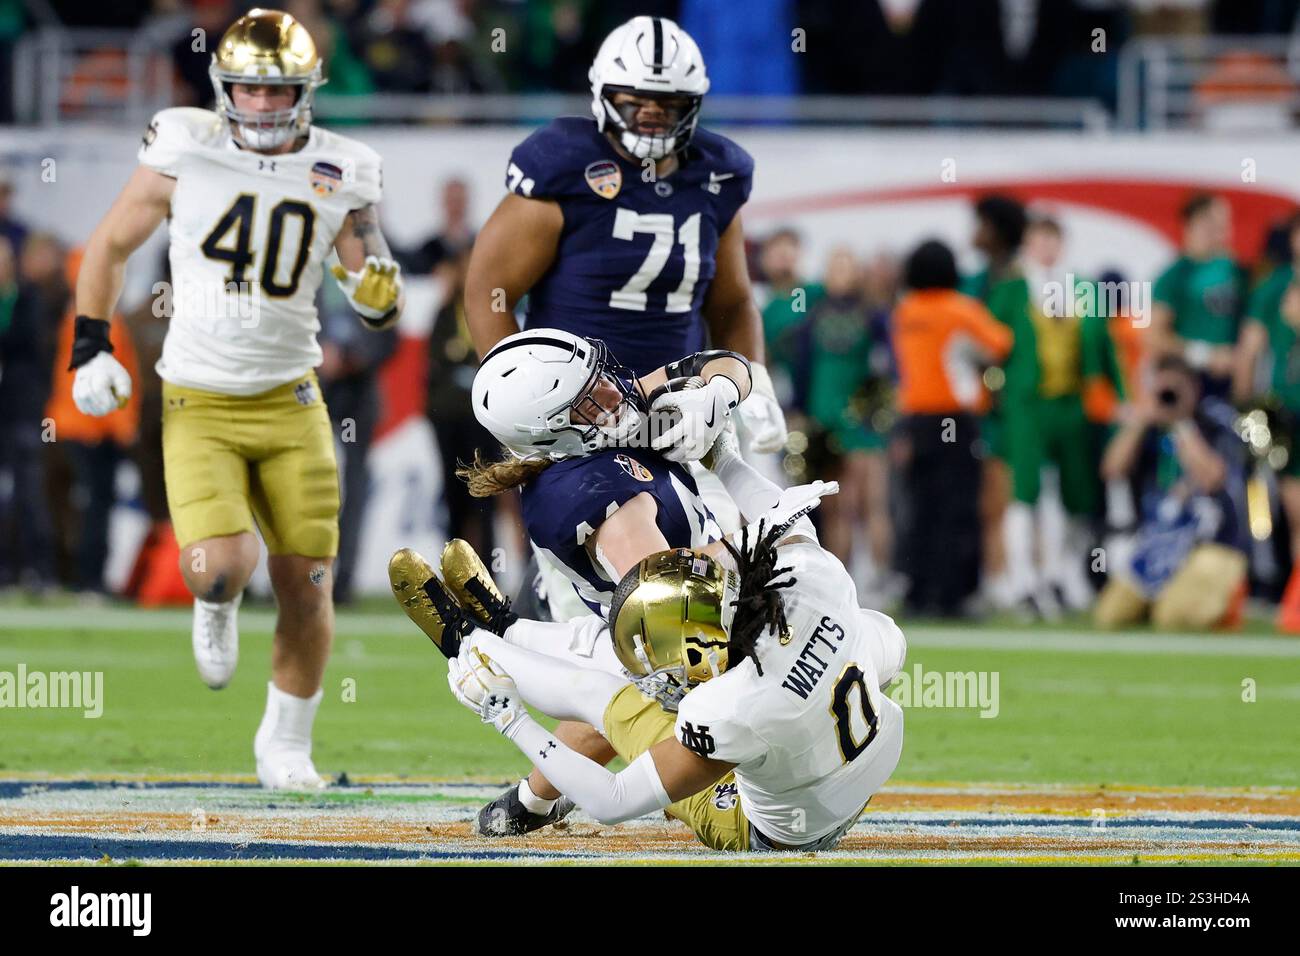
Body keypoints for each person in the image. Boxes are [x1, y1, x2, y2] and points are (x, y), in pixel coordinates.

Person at [67, 9, 404, 789]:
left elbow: (371, 279)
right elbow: (110, 245)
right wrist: (92, 344)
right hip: (200, 401)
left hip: (293, 400)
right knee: (221, 567)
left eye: (275, 89)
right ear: (224, 89)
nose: (258, 105)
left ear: (305, 90)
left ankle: (285, 746)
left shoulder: (344, 167)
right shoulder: (185, 145)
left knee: (308, 584)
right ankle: (214, 601)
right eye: (246, 90)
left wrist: (381, 292)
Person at [392, 427, 906, 853]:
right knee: (880, 636)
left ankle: (466, 642)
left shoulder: (728, 708)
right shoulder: (814, 579)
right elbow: (785, 519)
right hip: (845, 757)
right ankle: (507, 629)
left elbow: (613, 799)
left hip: (776, 828)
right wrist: (722, 456)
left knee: (607, 694)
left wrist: (512, 720)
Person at [411, 327, 752, 835]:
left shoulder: (598, 420)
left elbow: (723, 362)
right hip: (682, 646)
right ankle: (488, 641)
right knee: (647, 712)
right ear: (552, 431)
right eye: (590, 400)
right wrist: (757, 543)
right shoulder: (586, 488)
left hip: (672, 636)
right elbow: (674, 596)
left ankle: (528, 794)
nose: (615, 394)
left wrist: (716, 392)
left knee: (616, 688)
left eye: (599, 379)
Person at [891, 239, 1011, 616]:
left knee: (919, 507)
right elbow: (1001, 344)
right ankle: (954, 594)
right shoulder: (960, 309)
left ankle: (917, 591)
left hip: (916, 420)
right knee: (957, 506)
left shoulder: (905, 311)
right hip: (955, 420)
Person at [1094, 354, 1248, 630]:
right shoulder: (1150, 427)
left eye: (1175, 390)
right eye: (1161, 389)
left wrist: (1182, 423)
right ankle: (1168, 600)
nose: (1167, 396)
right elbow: (1112, 470)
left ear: (1195, 389)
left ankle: (1222, 601)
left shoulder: (1214, 422)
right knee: (1110, 615)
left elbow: (1212, 478)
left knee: (1172, 617)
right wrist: (1140, 420)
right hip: (1159, 545)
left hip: (1210, 544)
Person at [1234, 262, 1300, 631]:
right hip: (1280, 419)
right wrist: (1247, 411)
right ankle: (1267, 580)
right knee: (1263, 496)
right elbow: (1250, 355)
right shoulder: (1274, 297)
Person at [1151, 193, 1246, 396]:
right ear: (1196, 223)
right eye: (1217, 222)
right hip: (1190, 382)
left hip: (1233, 381)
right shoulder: (1175, 276)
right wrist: (1205, 356)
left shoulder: (1235, 269)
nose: (1225, 230)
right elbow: (1154, 337)